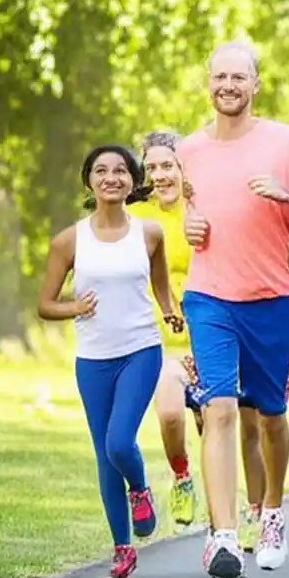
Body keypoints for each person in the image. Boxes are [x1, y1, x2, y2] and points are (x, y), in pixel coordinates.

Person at [179, 40, 289, 578]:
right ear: (207, 83)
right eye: (220, 77)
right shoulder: (188, 149)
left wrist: (286, 196)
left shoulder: (283, 141)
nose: (228, 86)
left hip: (273, 297)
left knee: (272, 415)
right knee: (221, 409)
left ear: (256, 84)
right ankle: (223, 536)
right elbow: (180, 213)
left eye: (239, 77)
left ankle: (273, 511)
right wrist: (186, 227)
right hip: (209, 295)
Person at [36, 144, 183, 578]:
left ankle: (139, 489)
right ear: (89, 181)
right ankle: (122, 550)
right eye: (101, 171)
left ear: (132, 182)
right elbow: (45, 304)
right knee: (104, 456)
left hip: (141, 349)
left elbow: (160, 286)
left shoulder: (150, 233)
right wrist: (75, 307)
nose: (111, 178)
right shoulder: (68, 240)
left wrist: (170, 310)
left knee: (120, 443)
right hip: (93, 359)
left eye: (120, 171)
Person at [127, 132, 199, 529]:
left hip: (208, 336)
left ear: (182, 167)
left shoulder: (202, 208)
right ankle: (182, 477)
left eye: (167, 165)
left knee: (214, 425)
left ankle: (225, 515)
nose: (159, 175)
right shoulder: (135, 216)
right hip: (159, 341)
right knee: (170, 414)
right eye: (151, 167)